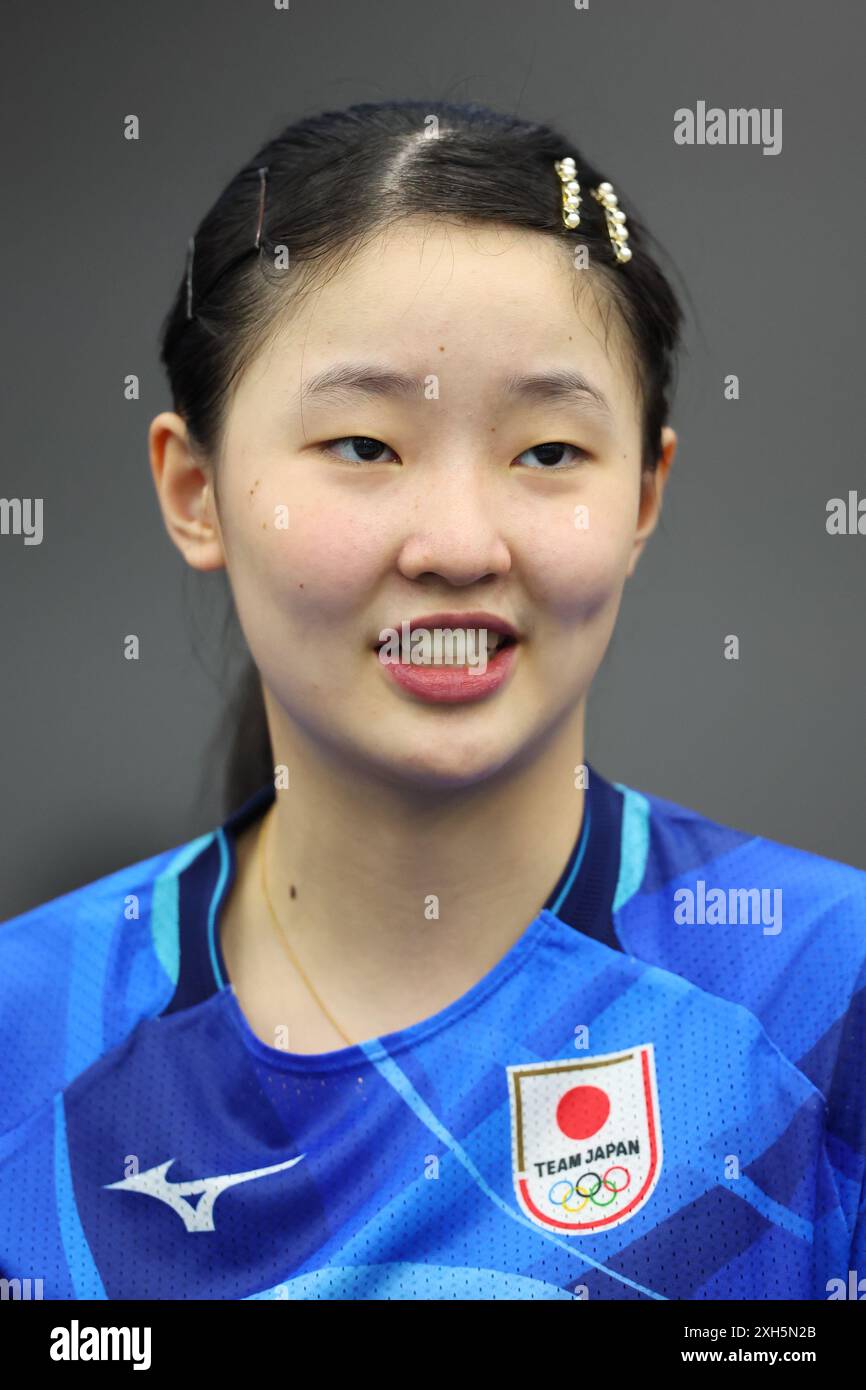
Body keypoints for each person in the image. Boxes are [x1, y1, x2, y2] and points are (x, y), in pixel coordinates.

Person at [1, 100, 863, 1302]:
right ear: (195, 490)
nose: (458, 545)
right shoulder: (27, 1030)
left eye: (547, 452)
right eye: (362, 445)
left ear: (643, 498)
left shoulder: (822, 987)